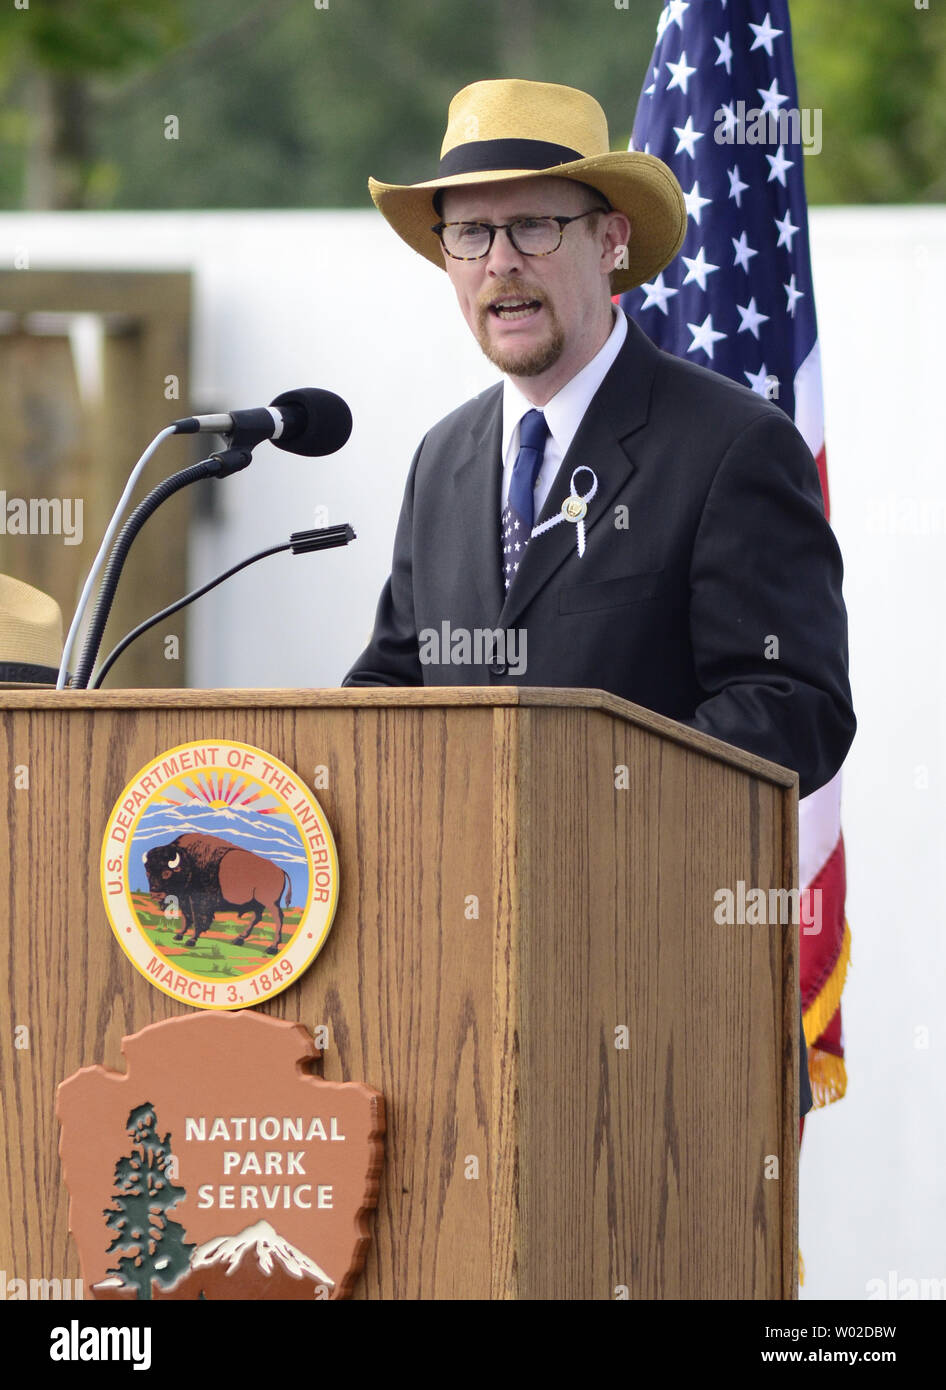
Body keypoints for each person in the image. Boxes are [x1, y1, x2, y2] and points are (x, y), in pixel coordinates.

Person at [344, 79, 856, 1114]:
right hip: (461, 1015)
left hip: (669, 1013)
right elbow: (394, 684)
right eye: (469, 234)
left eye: (533, 226)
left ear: (612, 240)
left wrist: (581, 794)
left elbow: (794, 707)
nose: (500, 262)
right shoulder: (444, 457)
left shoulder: (731, 445)